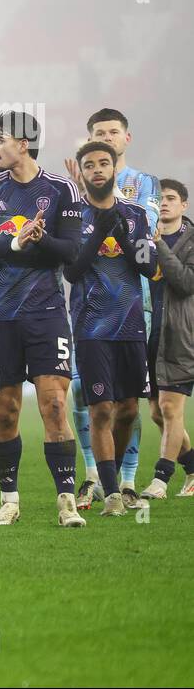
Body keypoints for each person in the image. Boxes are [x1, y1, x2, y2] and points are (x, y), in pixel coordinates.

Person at [0, 112, 85, 527]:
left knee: (54, 404)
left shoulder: (61, 189)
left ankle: (66, 502)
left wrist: (40, 238)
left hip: (46, 315)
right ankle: (9, 500)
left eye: (0, 139)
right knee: (6, 412)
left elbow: (69, 252)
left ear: (24, 143)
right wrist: (16, 240)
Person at [65, 110, 160, 501]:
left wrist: (118, 231)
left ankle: (121, 477)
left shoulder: (136, 215)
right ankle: (109, 491)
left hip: (132, 322)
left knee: (129, 410)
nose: (98, 169)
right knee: (99, 407)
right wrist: (97, 233)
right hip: (90, 325)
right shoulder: (72, 216)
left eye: (104, 162)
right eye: (90, 165)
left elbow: (148, 266)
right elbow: (71, 272)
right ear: (82, 172)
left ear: (116, 166)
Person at [141, 178, 194, 498]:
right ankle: (193, 470)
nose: (164, 202)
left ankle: (161, 480)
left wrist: (159, 244)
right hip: (150, 332)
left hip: (181, 336)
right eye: (160, 198)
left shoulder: (190, 241)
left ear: (183, 205)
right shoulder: (145, 238)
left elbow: (186, 282)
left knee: (171, 409)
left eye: (171, 198)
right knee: (157, 413)